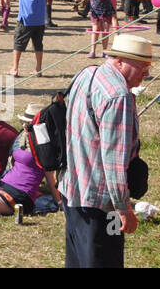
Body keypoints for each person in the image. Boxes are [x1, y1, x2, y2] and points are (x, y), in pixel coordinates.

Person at [61, 33, 151, 268]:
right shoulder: (118, 96)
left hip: (73, 188)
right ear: (120, 60)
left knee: (78, 261)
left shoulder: (87, 74)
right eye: (142, 65)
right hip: (101, 203)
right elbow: (114, 162)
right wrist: (123, 209)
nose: (147, 72)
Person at [11, 0, 47, 79]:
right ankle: (39, 68)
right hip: (40, 16)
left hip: (27, 16)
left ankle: (15, 68)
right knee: (38, 44)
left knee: (18, 42)